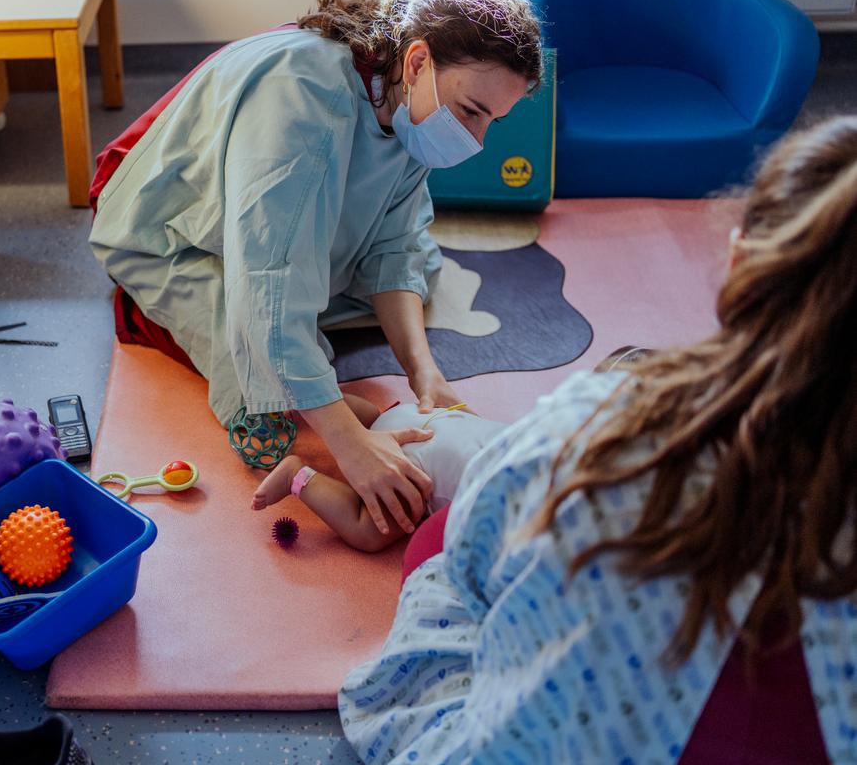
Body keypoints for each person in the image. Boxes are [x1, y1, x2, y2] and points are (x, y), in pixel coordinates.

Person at [339, 116, 857, 763]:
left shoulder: (596, 435)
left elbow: (469, 562)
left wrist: (317, 477)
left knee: (436, 548)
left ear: (740, 262)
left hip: (547, 716)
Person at [90, 0, 543, 536]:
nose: (476, 140)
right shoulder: (303, 96)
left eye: (491, 122)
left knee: (416, 269)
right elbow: (269, 282)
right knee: (264, 390)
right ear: (420, 62)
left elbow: (394, 242)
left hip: (281, 216)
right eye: (473, 111)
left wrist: (425, 373)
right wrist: (348, 445)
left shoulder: (409, 101)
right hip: (168, 231)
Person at [251, 396, 506, 552]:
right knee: (370, 533)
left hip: (421, 414)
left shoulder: (538, 437)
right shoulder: (519, 519)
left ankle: (314, 403)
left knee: (376, 419)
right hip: (412, 469)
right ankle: (295, 476)